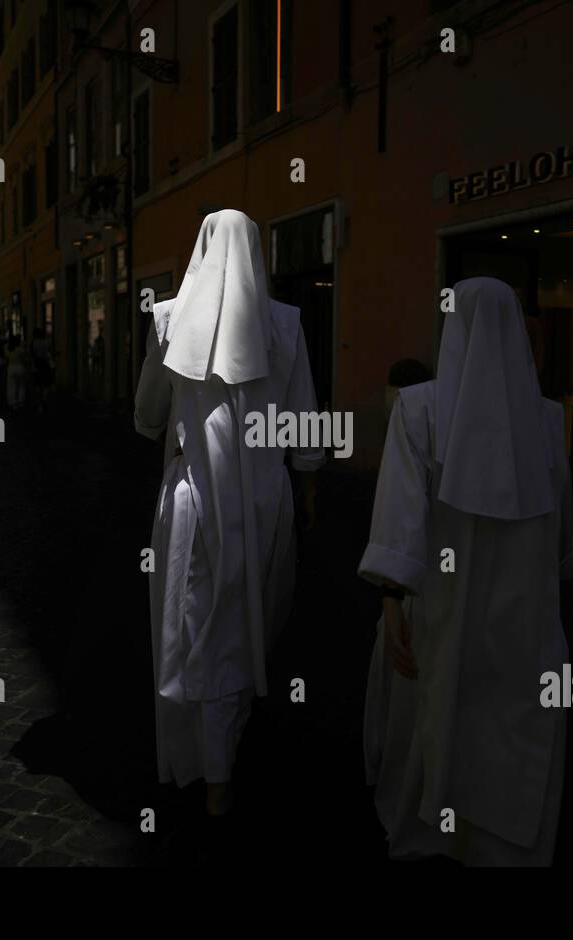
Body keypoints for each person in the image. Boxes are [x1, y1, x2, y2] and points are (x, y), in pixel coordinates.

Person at [359, 276, 573, 866]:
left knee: (437, 716)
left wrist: (390, 599)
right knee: (508, 728)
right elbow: (558, 529)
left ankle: (435, 828)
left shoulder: (418, 408)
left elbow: (400, 520)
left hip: (441, 604)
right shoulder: (549, 420)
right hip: (523, 609)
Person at [134, 209, 323, 822]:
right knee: (244, 623)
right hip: (266, 496)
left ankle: (204, 758)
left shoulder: (167, 319)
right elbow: (305, 429)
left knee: (192, 625)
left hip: (192, 497)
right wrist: (308, 495)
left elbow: (147, 414)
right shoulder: (287, 324)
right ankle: (221, 759)